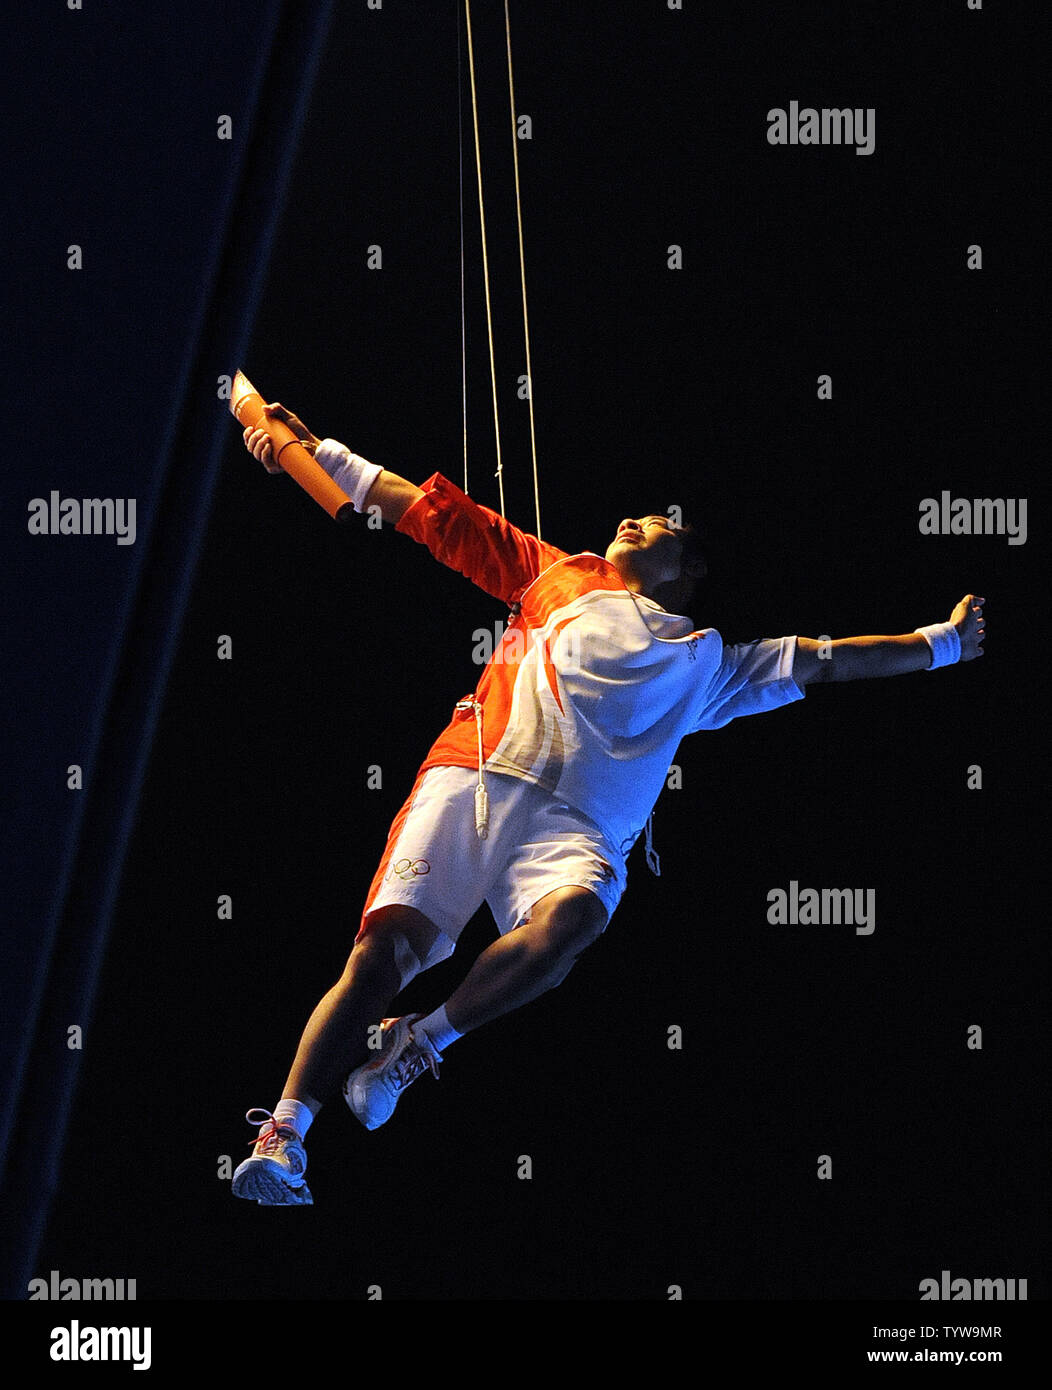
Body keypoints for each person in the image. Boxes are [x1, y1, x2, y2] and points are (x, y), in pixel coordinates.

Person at [231, 402, 986, 1206]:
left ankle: (420, 1042)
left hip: (575, 829)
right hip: (475, 778)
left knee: (575, 924)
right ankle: (284, 1135)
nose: (632, 520)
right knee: (380, 962)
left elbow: (833, 662)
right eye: (632, 516)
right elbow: (431, 514)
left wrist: (942, 643)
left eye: (656, 524)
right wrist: (318, 452)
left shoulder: (710, 665)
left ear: (689, 568)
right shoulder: (555, 575)